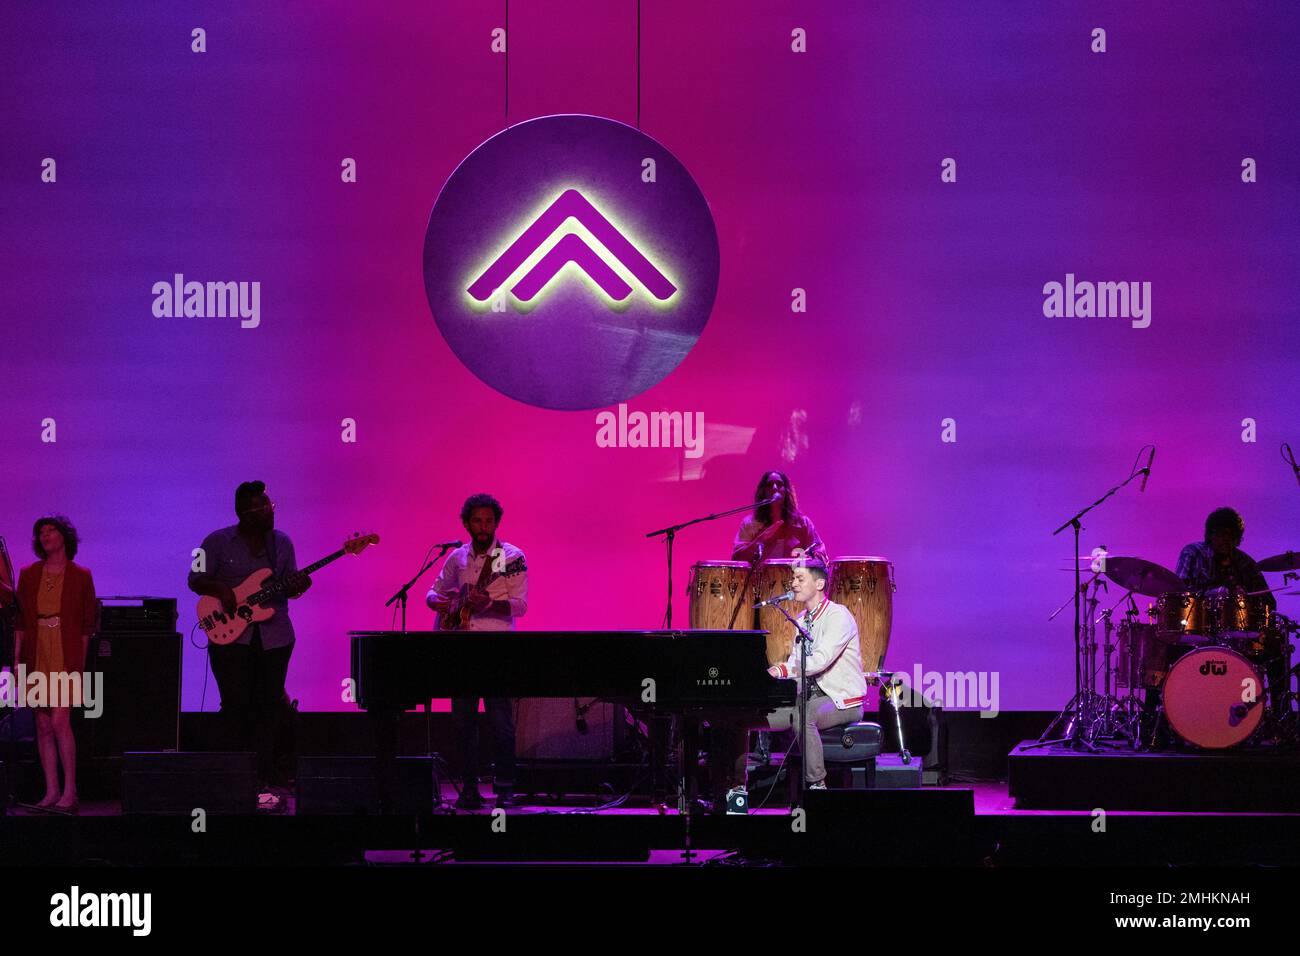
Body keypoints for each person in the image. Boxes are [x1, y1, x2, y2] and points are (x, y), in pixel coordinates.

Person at [188, 481, 310, 794]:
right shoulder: (215, 542)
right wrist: (221, 590)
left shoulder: (282, 543)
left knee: (270, 705)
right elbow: (194, 578)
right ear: (244, 512)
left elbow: (290, 588)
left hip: (275, 635)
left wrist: (299, 585)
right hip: (230, 637)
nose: (270, 511)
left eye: (270, 505)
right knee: (234, 703)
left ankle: (266, 773)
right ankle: (234, 772)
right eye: (262, 507)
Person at [711, 560, 865, 807]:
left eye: (800, 579)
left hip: (842, 699)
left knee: (805, 715)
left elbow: (820, 660)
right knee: (741, 718)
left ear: (819, 583)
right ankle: (735, 793)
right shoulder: (802, 619)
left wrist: (781, 668)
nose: (793, 583)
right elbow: (796, 665)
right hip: (805, 698)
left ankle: (817, 786)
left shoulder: (839, 616)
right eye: (792, 579)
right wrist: (772, 675)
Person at [426, 493, 528, 809]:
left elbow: (520, 606)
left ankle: (506, 788)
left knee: (500, 722)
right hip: (461, 648)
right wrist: (438, 603)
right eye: (477, 521)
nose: (483, 527)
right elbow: (434, 590)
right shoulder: (457, 558)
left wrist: (489, 604)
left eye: (488, 521)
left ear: (496, 522)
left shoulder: (511, 557)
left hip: (496, 649)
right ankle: (469, 789)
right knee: (463, 722)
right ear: (467, 523)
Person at [12, 515, 97, 814]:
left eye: (51, 530)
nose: (46, 535)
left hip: (65, 651)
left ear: (64, 536)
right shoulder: (29, 574)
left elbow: (87, 627)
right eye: (41, 532)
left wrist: (80, 665)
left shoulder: (81, 575)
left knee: (61, 721)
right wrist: (17, 661)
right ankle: (51, 790)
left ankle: (71, 791)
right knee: (43, 724)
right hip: (38, 653)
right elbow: (20, 622)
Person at [732, 471, 827, 565]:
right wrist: (760, 540)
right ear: (763, 492)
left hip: (795, 578)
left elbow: (820, 552)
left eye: (779, 484)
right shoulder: (750, 523)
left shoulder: (803, 523)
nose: (774, 488)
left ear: (786, 491)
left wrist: (810, 558)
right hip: (758, 579)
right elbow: (737, 557)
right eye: (769, 485)